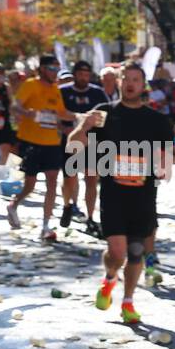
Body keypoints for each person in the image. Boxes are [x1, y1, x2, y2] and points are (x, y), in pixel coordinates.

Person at [67, 62, 175, 324]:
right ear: (117, 82)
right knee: (117, 253)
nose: (130, 83)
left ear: (143, 85)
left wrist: (172, 157)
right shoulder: (104, 114)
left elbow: (171, 156)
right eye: (125, 78)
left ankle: (128, 302)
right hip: (113, 195)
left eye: (136, 79)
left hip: (143, 197)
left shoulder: (157, 120)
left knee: (137, 251)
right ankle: (109, 278)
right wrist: (84, 127)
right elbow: (73, 146)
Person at [9, 55, 76, 241]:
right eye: (52, 69)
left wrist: (80, 117)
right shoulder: (31, 85)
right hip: (31, 141)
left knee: (52, 182)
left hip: (52, 143)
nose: (55, 73)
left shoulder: (55, 89)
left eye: (57, 69)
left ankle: (46, 226)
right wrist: (27, 113)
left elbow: (61, 113)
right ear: (43, 69)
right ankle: (14, 204)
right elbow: (15, 107)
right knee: (30, 186)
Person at [60, 59, 111, 236]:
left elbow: (105, 114)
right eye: (80, 74)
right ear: (74, 74)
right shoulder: (63, 92)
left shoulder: (97, 93)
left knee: (91, 179)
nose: (83, 77)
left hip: (92, 141)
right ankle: (68, 205)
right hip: (70, 141)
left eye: (86, 74)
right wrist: (66, 126)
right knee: (69, 179)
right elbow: (56, 114)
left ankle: (90, 217)